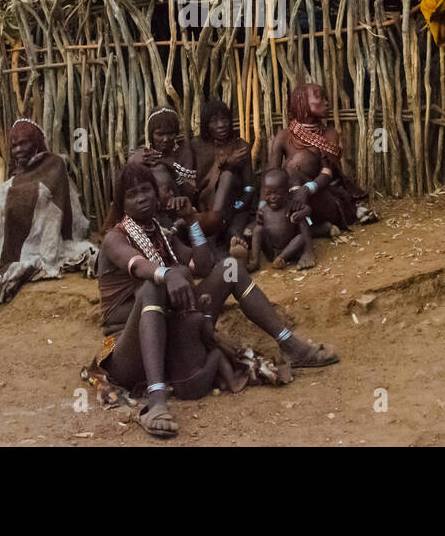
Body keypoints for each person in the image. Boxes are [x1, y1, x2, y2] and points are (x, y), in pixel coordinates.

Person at [95, 163, 338, 438]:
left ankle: (291, 346)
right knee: (151, 286)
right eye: (132, 194)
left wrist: (190, 221)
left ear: (157, 194)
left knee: (230, 268)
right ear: (121, 203)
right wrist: (167, 274)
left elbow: (204, 264)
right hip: (127, 350)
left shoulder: (162, 234)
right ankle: (157, 401)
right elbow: (139, 266)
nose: (142, 198)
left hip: (169, 334)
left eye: (146, 191)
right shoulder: (114, 238)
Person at [0, 119, 97, 310]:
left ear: (35, 142)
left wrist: (12, 197)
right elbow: (19, 194)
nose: (19, 149)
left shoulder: (54, 163)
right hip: (24, 227)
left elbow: (49, 198)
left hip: (48, 229)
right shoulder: (20, 170)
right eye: (14, 146)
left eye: (24, 143)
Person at [268, 83, 371, 239]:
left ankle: (310, 229)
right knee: (289, 175)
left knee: (299, 163)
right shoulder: (283, 136)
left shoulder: (330, 134)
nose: (326, 102)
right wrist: (264, 207)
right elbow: (271, 176)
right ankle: (317, 230)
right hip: (291, 197)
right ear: (302, 103)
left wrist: (306, 190)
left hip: (323, 198)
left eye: (326, 98)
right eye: (320, 98)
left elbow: (327, 173)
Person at [181, 98, 256, 240]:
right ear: (206, 125)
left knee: (234, 235)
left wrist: (235, 208)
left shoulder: (241, 147)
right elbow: (190, 184)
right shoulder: (196, 146)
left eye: (224, 119)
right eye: (214, 121)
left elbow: (249, 189)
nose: (221, 125)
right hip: (204, 208)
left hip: (235, 207)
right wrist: (226, 163)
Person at [128, 107, 198, 208]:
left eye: (170, 133)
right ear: (151, 134)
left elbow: (191, 195)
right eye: (159, 134)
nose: (165, 139)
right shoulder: (139, 156)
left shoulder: (184, 153)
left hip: (179, 207)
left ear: (176, 133)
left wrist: (170, 167)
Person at [249, 168, 313, 270]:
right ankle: (255, 261)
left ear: (286, 192)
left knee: (300, 238)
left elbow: (308, 209)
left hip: (290, 249)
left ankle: (282, 258)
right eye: (268, 194)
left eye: (277, 193)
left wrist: (301, 213)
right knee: (258, 230)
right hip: (271, 251)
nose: (273, 197)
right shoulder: (263, 210)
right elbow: (259, 230)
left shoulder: (291, 205)